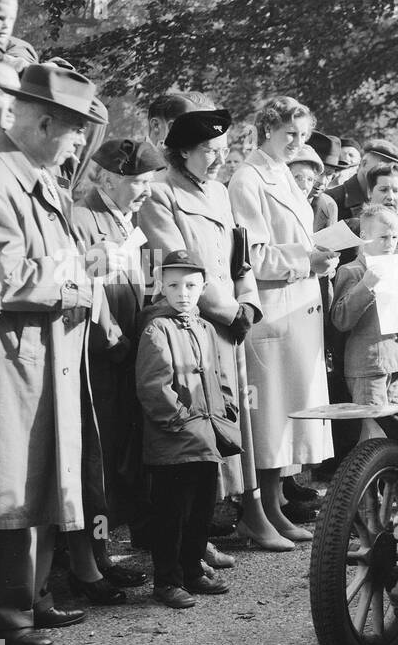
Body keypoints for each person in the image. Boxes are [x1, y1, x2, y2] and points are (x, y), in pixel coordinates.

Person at [0, 62, 108, 645]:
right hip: (9, 350)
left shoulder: (33, 171)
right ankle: (0, 614)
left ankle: (29, 596)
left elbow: (54, 256)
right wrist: (75, 283)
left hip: (42, 348)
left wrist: (80, 268)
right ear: (46, 123)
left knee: (36, 471)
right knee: (5, 477)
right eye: (74, 133)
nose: (77, 146)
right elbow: (4, 275)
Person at [139, 107, 289, 553]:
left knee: (232, 422)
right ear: (181, 152)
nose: (218, 159)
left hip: (228, 326)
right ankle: (192, 540)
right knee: (193, 431)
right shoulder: (160, 192)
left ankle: (245, 517)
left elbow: (238, 257)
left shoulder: (221, 193)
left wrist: (250, 305)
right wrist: (229, 313)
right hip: (189, 327)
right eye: (208, 151)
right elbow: (177, 265)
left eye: (223, 150)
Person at [228, 95, 335, 543]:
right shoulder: (248, 178)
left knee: (288, 418)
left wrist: (321, 257)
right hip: (272, 311)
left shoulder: (283, 177)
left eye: (303, 135)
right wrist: (305, 259)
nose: (297, 142)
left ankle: (275, 508)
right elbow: (250, 255)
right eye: (290, 133)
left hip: (297, 308)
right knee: (271, 419)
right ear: (266, 129)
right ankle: (261, 511)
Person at [70, 137, 167, 599]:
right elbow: (83, 285)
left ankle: (103, 554)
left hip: (129, 351)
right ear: (107, 177)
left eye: (149, 181)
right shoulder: (82, 218)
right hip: (99, 357)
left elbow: (146, 280)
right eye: (138, 181)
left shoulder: (131, 218)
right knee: (97, 461)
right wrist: (111, 334)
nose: (146, 190)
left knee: (118, 458)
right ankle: (89, 562)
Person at [135, 252, 238, 609]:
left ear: (203, 287)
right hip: (174, 439)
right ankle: (167, 580)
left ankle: (192, 570)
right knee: (171, 515)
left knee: (201, 511)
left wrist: (226, 410)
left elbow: (220, 374)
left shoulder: (205, 328)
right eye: (174, 285)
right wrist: (180, 420)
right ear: (162, 287)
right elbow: (153, 386)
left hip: (206, 435)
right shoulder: (156, 328)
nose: (183, 293)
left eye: (191, 285)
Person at [329, 204, 398, 407]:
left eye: (395, 237)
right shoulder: (351, 270)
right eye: (383, 237)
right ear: (364, 236)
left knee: (391, 430)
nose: (390, 244)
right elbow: (340, 319)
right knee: (373, 432)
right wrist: (366, 286)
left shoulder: (397, 266)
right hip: (367, 366)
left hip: (396, 361)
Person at [323, 138, 398, 221]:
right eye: (382, 165)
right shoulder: (331, 200)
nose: (387, 171)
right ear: (364, 163)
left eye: (392, 168)